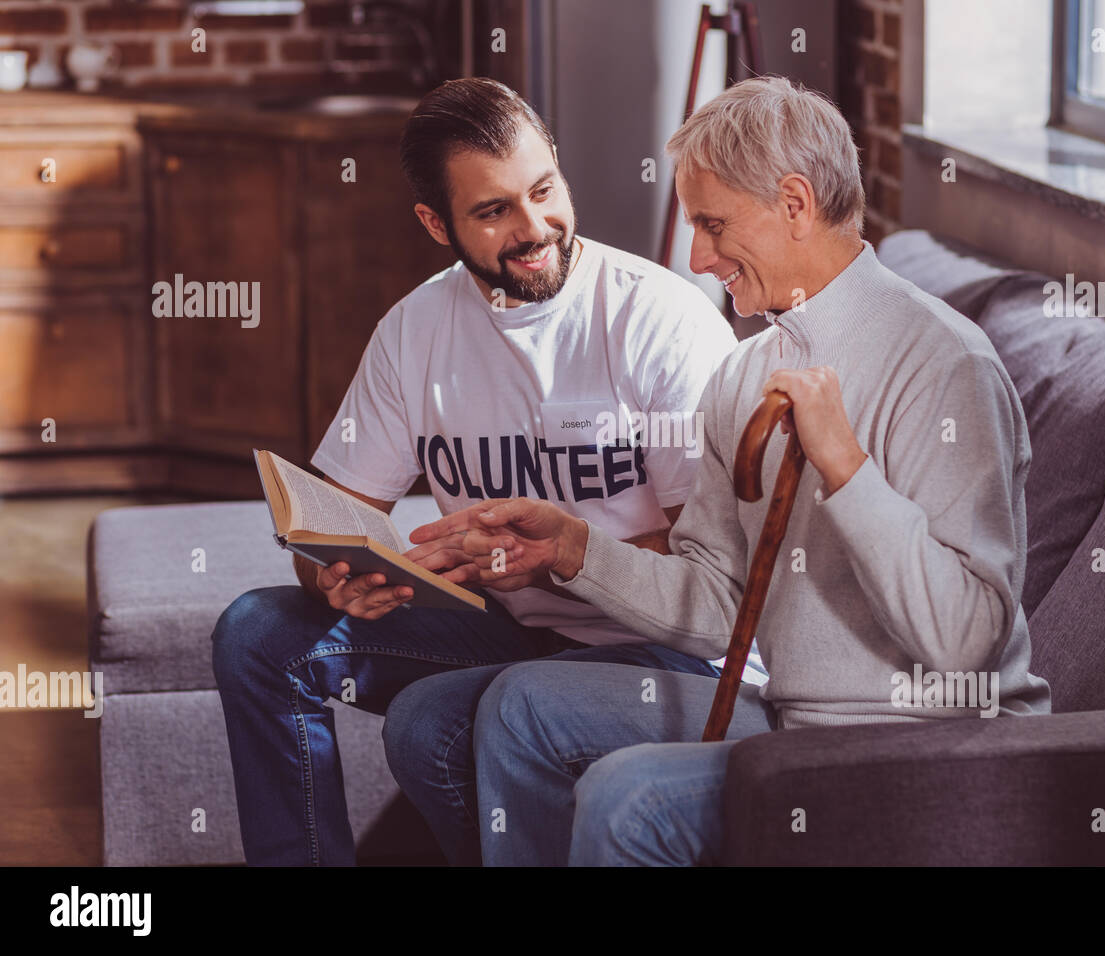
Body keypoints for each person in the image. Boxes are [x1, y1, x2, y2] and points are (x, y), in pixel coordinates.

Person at [443, 75, 1052, 865]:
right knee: (523, 705)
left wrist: (848, 470)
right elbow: (722, 606)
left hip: (930, 747)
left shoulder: (945, 364)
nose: (698, 257)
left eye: (713, 223)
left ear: (795, 204)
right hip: (792, 722)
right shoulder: (745, 372)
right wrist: (574, 550)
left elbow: (967, 643)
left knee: (630, 800)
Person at [210, 77, 741, 866]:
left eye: (543, 190)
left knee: (430, 721)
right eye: (494, 212)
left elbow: (716, 583)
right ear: (436, 223)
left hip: (660, 648)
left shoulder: (659, 323)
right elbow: (331, 517)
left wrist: (552, 558)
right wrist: (340, 576)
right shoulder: (415, 330)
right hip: (507, 631)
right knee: (256, 633)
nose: (535, 229)